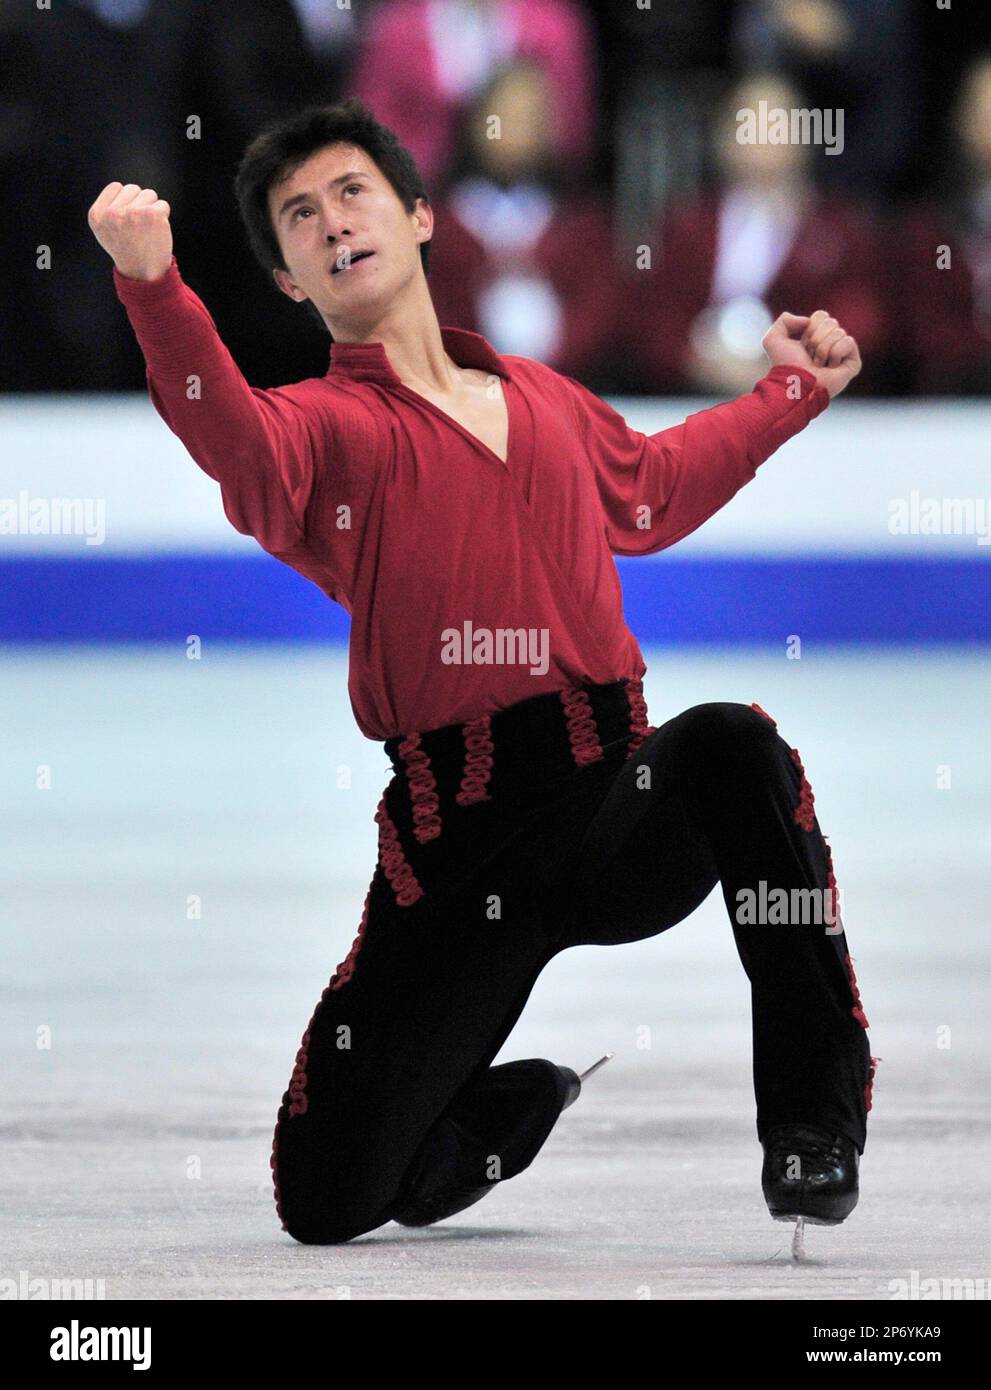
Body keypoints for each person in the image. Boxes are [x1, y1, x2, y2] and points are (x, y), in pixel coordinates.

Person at [88, 98, 877, 1245]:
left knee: (733, 745)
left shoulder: (542, 396)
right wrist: (154, 286)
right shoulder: (318, 433)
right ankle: (504, 1105)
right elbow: (232, 439)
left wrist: (789, 392)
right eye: (297, 218)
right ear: (291, 283)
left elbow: (651, 488)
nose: (329, 222)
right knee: (326, 1202)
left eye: (350, 192)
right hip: (453, 849)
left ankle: (814, 1125)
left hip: (613, 804)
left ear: (416, 218)